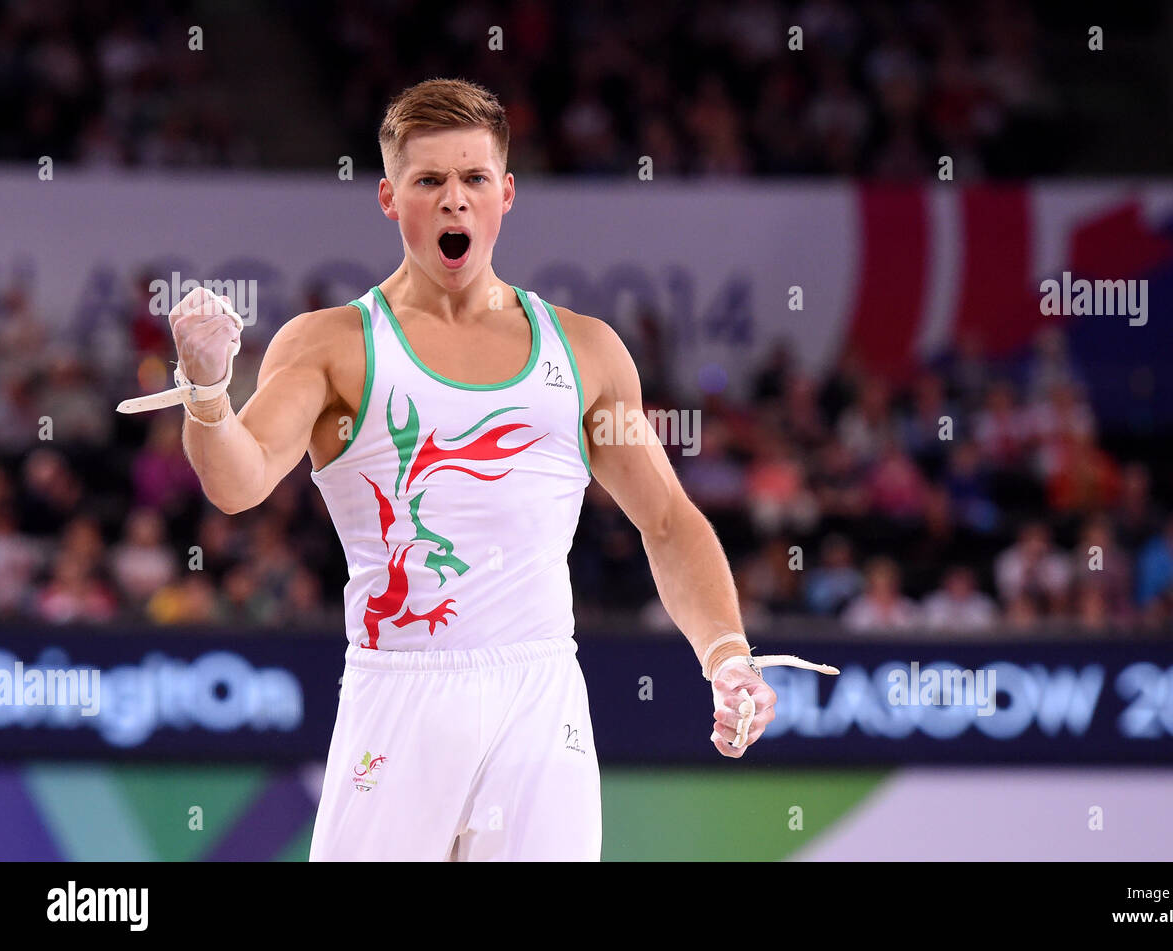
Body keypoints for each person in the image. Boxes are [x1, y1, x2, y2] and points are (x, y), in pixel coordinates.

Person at [132, 78, 833, 861]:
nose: (454, 201)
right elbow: (238, 481)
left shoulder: (586, 351)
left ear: (506, 193)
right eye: (429, 181)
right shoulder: (332, 344)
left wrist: (727, 654)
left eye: (472, 180)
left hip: (540, 698)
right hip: (400, 694)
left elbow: (666, 520)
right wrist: (205, 387)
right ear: (390, 198)